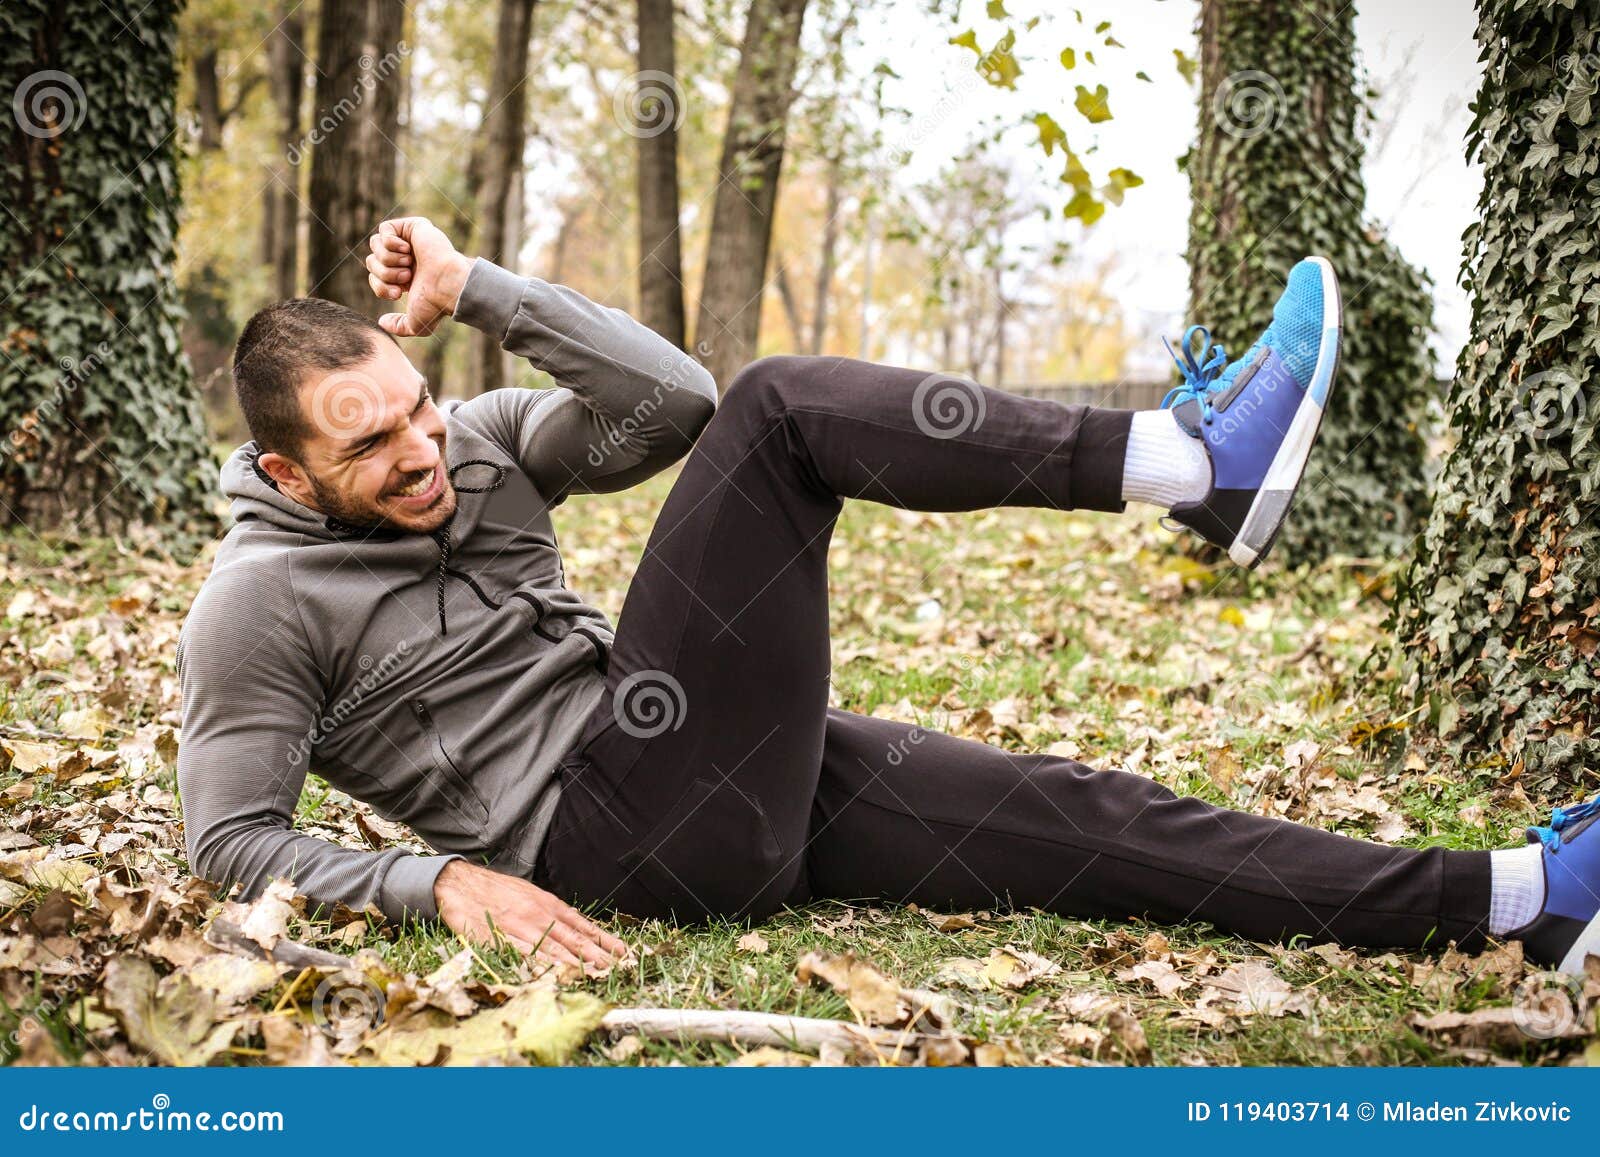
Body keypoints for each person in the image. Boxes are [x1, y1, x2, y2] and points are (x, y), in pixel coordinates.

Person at [176, 216, 1599, 977]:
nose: (424, 452)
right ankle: (1188, 462)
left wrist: (484, 288)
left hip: (706, 771)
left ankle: (1513, 900)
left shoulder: (473, 446)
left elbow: (671, 400)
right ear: (285, 473)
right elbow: (229, 843)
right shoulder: (257, 604)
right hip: (614, 835)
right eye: (371, 446)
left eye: (419, 410)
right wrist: (444, 882)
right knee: (787, 409)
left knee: (1083, 812)